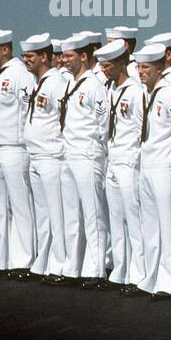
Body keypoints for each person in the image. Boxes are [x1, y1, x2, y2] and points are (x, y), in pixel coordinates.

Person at [134, 43, 171, 299]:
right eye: (138, 67)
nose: (140, 71)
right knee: (151, 224)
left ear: (158, 68)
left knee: (169, 224)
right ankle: (153, 275)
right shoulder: (147, 93)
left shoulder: (170, 94)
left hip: (165, 166)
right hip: (148, 164)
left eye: (145, 67)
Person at [0, 29, 36, 277]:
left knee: (21, 206)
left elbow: (27, 111)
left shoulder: (20, 75)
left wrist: (25, 142)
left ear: (5, 49)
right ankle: (1, 259)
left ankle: (23, 260)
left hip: (14, 148)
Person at [57, 32, 110, 286]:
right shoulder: (70, 83)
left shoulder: (93, 86)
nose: (65, 60)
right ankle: (72, 266)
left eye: (70, 56)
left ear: (84, 56)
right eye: (64, 56)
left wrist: (95, 150)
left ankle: (96, 269)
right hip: (69, 153)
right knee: (72, 214)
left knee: (93, 215)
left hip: (88, 155)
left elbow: (103, 123)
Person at [19, 34, 70, 281]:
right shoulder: (36, 82)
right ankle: (44, 260)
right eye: (24, 56)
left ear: (45, 57)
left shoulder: (55, 83)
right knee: (43, 213)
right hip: (36, 155)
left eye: (30, 56)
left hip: (51, 155)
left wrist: (59, 150)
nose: (26, 60)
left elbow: (64, 120)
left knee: (56, 213)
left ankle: (60, 264)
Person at [100, 39, 146, 294]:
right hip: (113, 158)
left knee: (134, 219)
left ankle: (139, 274)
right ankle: (121, 270)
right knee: (117, 219)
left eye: (108, 65)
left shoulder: (135, 91)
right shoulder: (112, 91)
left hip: (129, 160)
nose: (104, 70)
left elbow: (142, 129)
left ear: (120, 63)